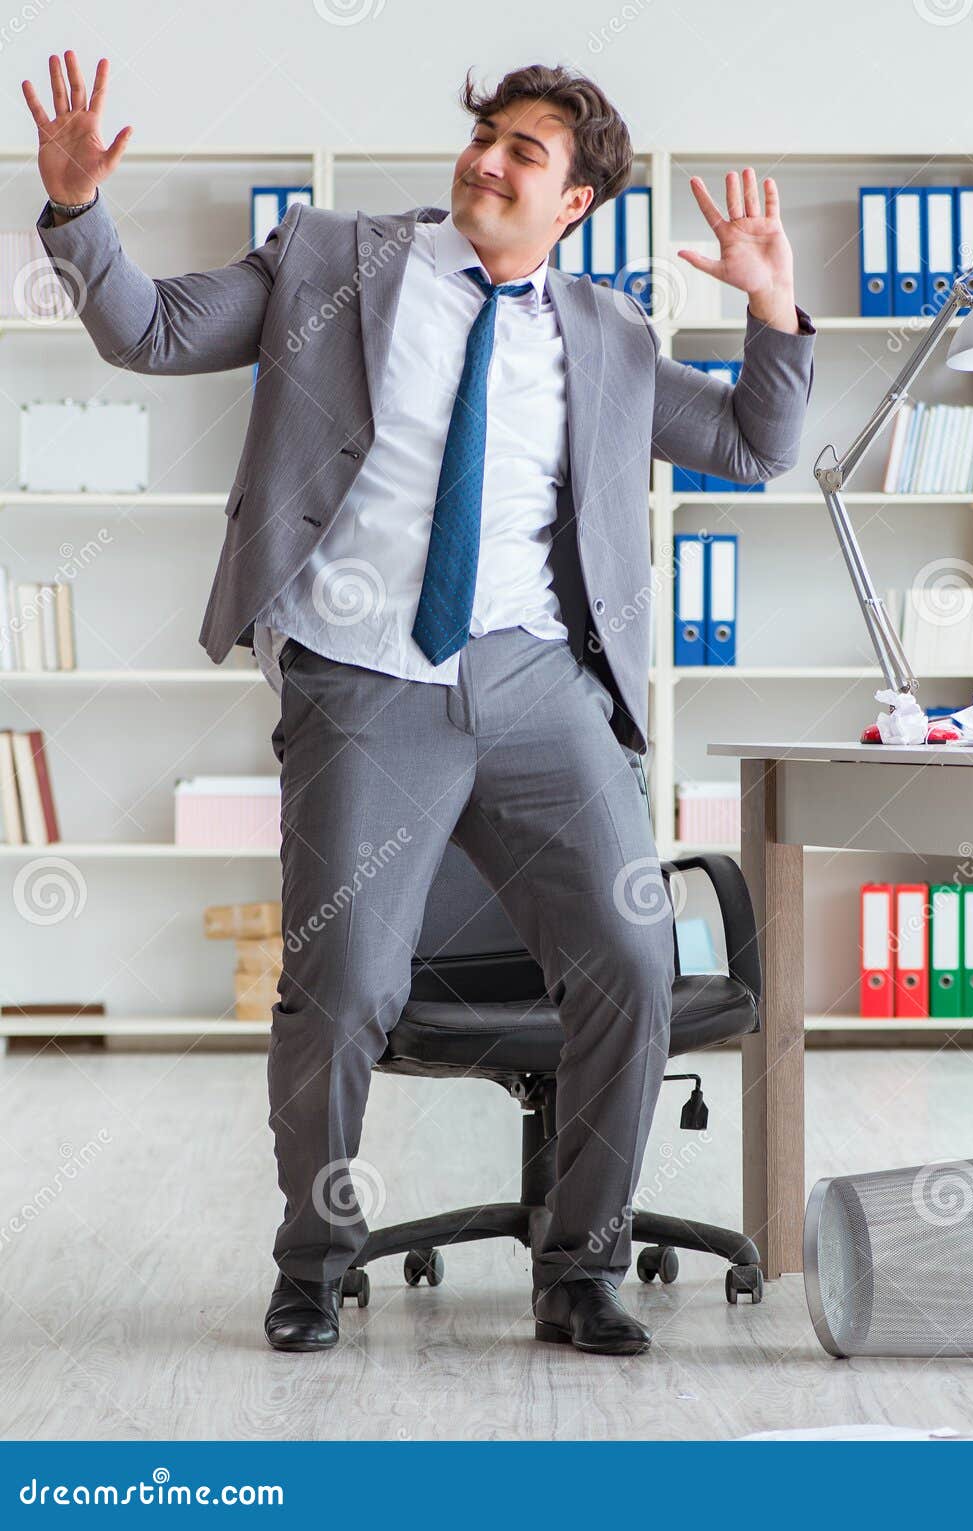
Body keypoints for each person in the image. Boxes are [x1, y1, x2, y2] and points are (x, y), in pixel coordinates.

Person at [23, 50, 814, 1356]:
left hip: (537, 687)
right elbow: (151, 330)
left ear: (576, 205)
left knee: (631, 960)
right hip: (363, 681)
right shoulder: (333, 261)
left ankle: (581, 1268)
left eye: (526, 153)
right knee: (341, 988)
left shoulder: (608, 336)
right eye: (487, 136)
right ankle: (315, 1258)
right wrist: (75, 214)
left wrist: (775, 312)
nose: (489, 161)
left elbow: (754, 447)